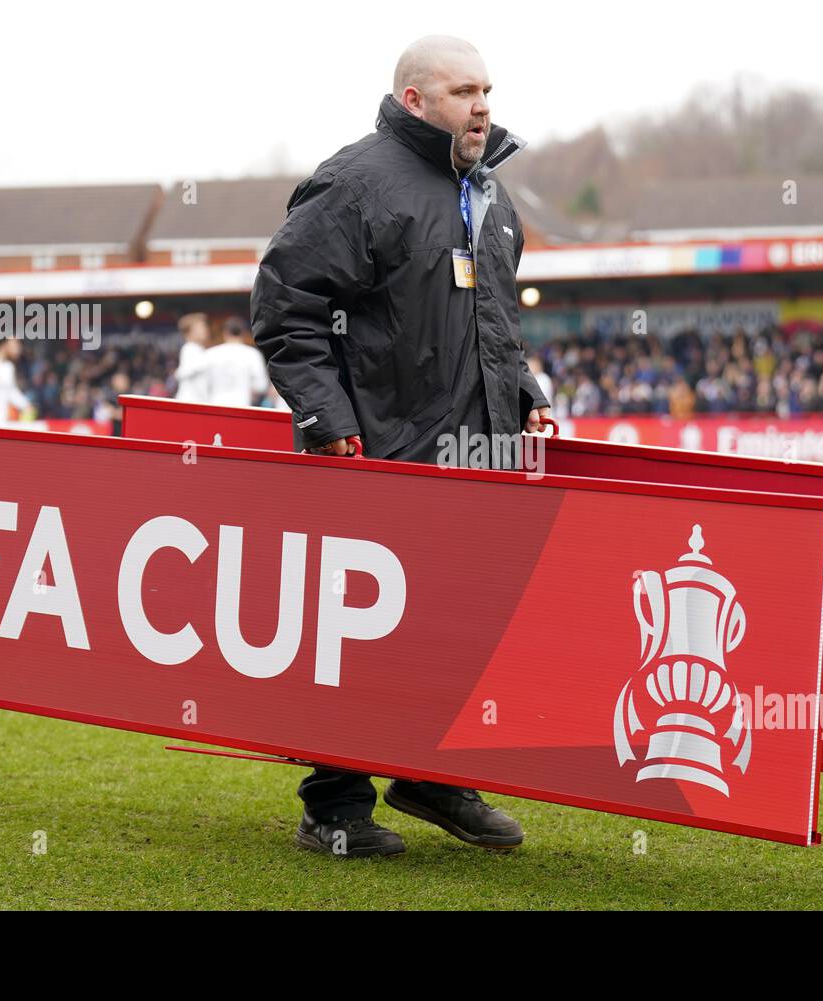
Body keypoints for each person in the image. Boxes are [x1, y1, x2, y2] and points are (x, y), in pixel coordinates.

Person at [251, 34, 549, 858]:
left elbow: (496, 326)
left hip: (472, 456)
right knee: (353, 636)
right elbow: (285, 311)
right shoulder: (356, 183)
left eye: (487, 89)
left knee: (455, 625)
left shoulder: (491, 197)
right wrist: (329, 420)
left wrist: (523, 396)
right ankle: (334, 803)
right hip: (371, 453)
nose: (483, 105)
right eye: (463, 91)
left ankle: (431, 775)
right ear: (414, 100)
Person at [202, 317, 267, 407]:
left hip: (215, 404)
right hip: (242, 405)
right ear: (244, 333)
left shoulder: (210, 354)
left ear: (225, 333)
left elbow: (201, 384)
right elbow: (261, 385)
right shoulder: (252, 354)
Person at [173, 313, 211, 403]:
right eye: (201, 328)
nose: (205, 330)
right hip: (189, 402)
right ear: (189, 332)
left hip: (198, 402)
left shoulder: (199, 349)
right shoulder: (190, 348)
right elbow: (183, 373)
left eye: (205, 327)